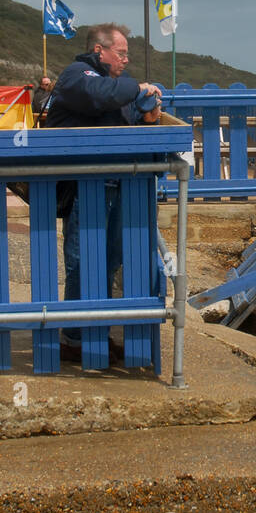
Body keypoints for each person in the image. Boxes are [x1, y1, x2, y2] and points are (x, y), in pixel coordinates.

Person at [44, 24, 161, 361]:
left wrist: (149, 115)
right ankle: (74, 339)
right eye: (121, 53)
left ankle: (97, 333)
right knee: (83, 261)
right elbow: (99, 96)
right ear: (99, 51)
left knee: (109, 260)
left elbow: (126, 118)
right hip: (86, 186)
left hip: (117, 183)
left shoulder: (113, 87)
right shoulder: (76, 74)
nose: (125, 59)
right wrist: (136, 88)